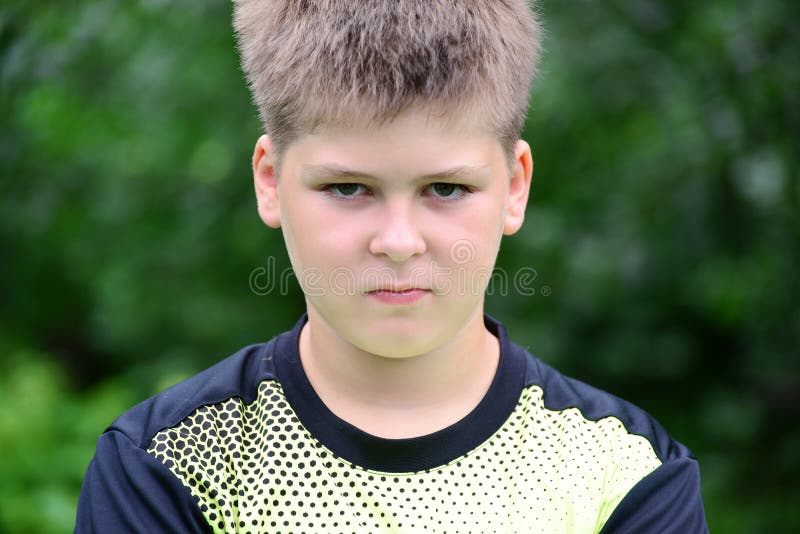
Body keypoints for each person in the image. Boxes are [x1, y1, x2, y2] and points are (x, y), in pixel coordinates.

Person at [75, 1, 708, 532]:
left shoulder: (624, 478)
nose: (399, 242)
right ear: (270, 181)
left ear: (515, 186)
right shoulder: (170, 467)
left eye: (446, 189)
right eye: (348, 188)